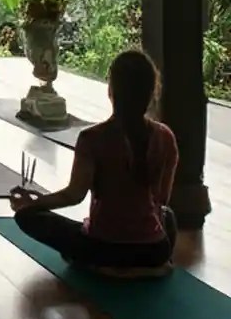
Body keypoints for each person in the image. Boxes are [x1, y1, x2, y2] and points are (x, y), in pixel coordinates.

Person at [10, 50, 179, 274]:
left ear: (111, 91)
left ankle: (104, 266)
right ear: (152, 92)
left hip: (101, 249)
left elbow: (74, 195)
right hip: (154, 250)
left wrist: (34, 204)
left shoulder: (93, 138)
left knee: (27, 217)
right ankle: (151, 268)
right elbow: (162, 200)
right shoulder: (165, 137)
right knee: (170, 217)